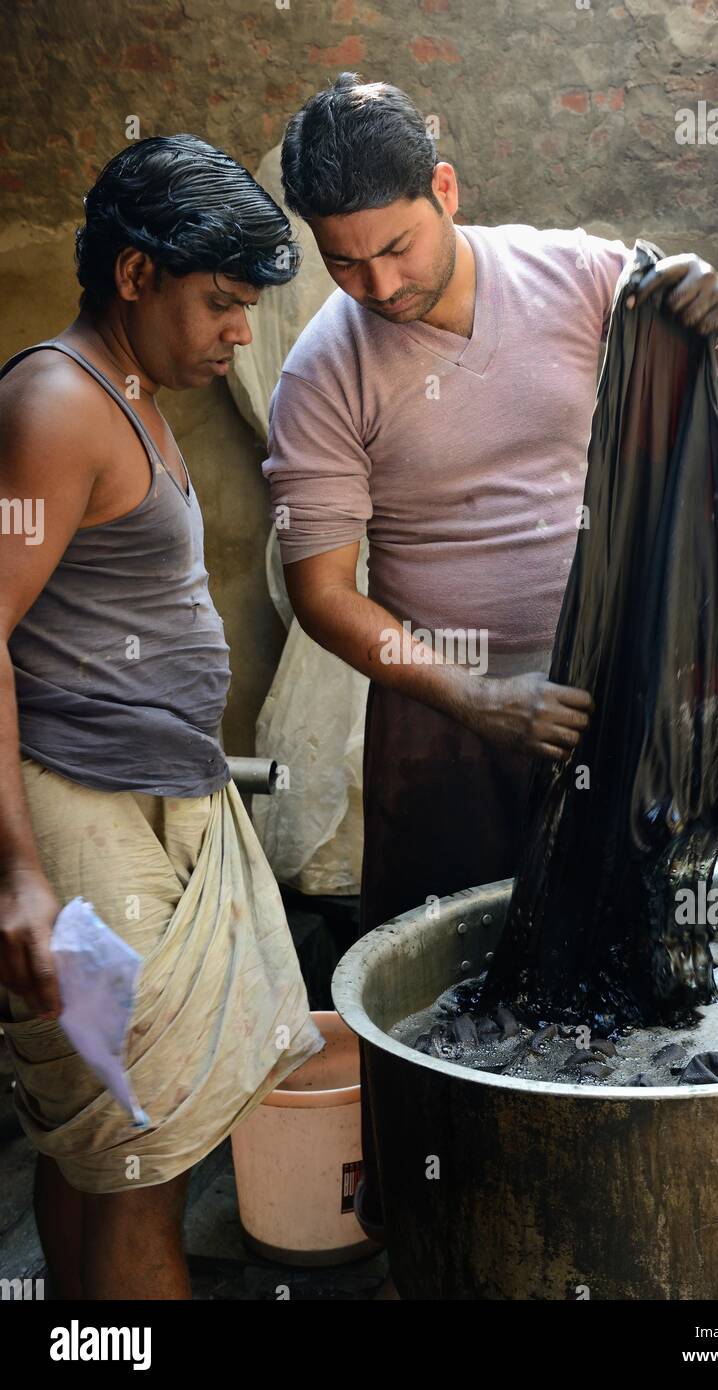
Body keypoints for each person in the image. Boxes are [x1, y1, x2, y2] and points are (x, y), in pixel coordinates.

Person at [264, 73, 718, 1238]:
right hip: (445, 718)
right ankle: (464, 1217)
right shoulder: (324, 368)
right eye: (343, 263)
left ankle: (627, 1201)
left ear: (444, 190)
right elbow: (321, 594)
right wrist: (480, 698)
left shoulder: (579, 276)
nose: (378, 287)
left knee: (635, 943)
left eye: (396, 246)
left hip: (615, 696)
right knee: (453, 976)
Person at [0, 135, 324, 1300]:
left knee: (94, 1145)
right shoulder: (55, 403)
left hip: (153, 796)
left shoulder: (133, 392)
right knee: (140, 1156)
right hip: (79, 805)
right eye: (222, 303)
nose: (240, 332)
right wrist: (20, 875)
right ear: (135, 277)